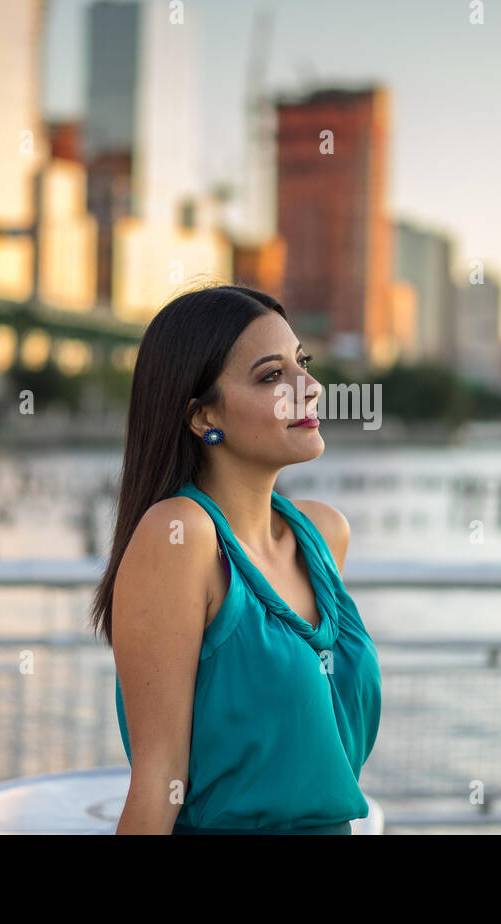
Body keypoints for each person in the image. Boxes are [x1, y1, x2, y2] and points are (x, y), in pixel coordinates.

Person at [91, 285, 381, 834]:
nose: (310, 388)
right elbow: (158, 782)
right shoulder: (180, 536)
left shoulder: (324, 534)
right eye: (272, 376)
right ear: (203, 417)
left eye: (302, 364)